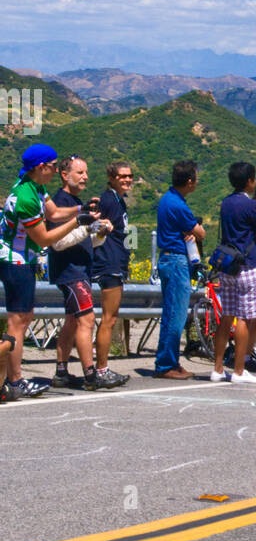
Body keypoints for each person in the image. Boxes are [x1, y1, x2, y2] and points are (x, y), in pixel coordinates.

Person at [0, 143, 90, 398]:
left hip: (21, 259)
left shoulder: (35, 186)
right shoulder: (26, 198)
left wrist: (82, 209)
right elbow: (44, 239)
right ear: (41, 167)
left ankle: (10, 378)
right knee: (18, 323)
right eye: (52, 166)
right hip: (15, 261)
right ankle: (15, 381)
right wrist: (77, 222)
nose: (54, 172)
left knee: (23, 318)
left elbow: (54, 212)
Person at [48, 154, 123, 390]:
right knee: (87, 320)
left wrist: (100, 232)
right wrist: (87, 227)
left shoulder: (75, 201)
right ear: (64, 174)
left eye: (86, 172)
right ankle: (91, 375)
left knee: (72, 321)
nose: (85, 177)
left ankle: (61, 371)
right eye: (80, 173)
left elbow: (87, 241)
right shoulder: (59, 203)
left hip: (80, 268)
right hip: (70, 271)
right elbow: (58, 242)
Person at [211, 162, 256, 385]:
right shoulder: (251, 206)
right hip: (247, 265)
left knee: (226, 317)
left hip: (228, 266)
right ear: (250, 181)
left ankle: (217, 369)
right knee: (245, 319)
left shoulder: (226, 203)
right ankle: (238, 370)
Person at [154, 161, 205, 379]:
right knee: (176, 314)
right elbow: (200, 233)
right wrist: (196, 231)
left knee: (171, 312)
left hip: (167, 259)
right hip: (176, 261)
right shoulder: (179, 205)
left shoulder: (168, 199)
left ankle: (170, 360)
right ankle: (166, 365)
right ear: (190, 181)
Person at [93, 162, 134, 381]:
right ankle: (101, 369)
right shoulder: (108, 200)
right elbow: (95, 224)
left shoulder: (119, 201)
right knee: (109, 318)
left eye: (130, 176)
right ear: (112, 177)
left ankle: (101, 367)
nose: (127, 180)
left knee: (111, 317)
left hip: (117, 261)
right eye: (122, 176)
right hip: (109, 263)